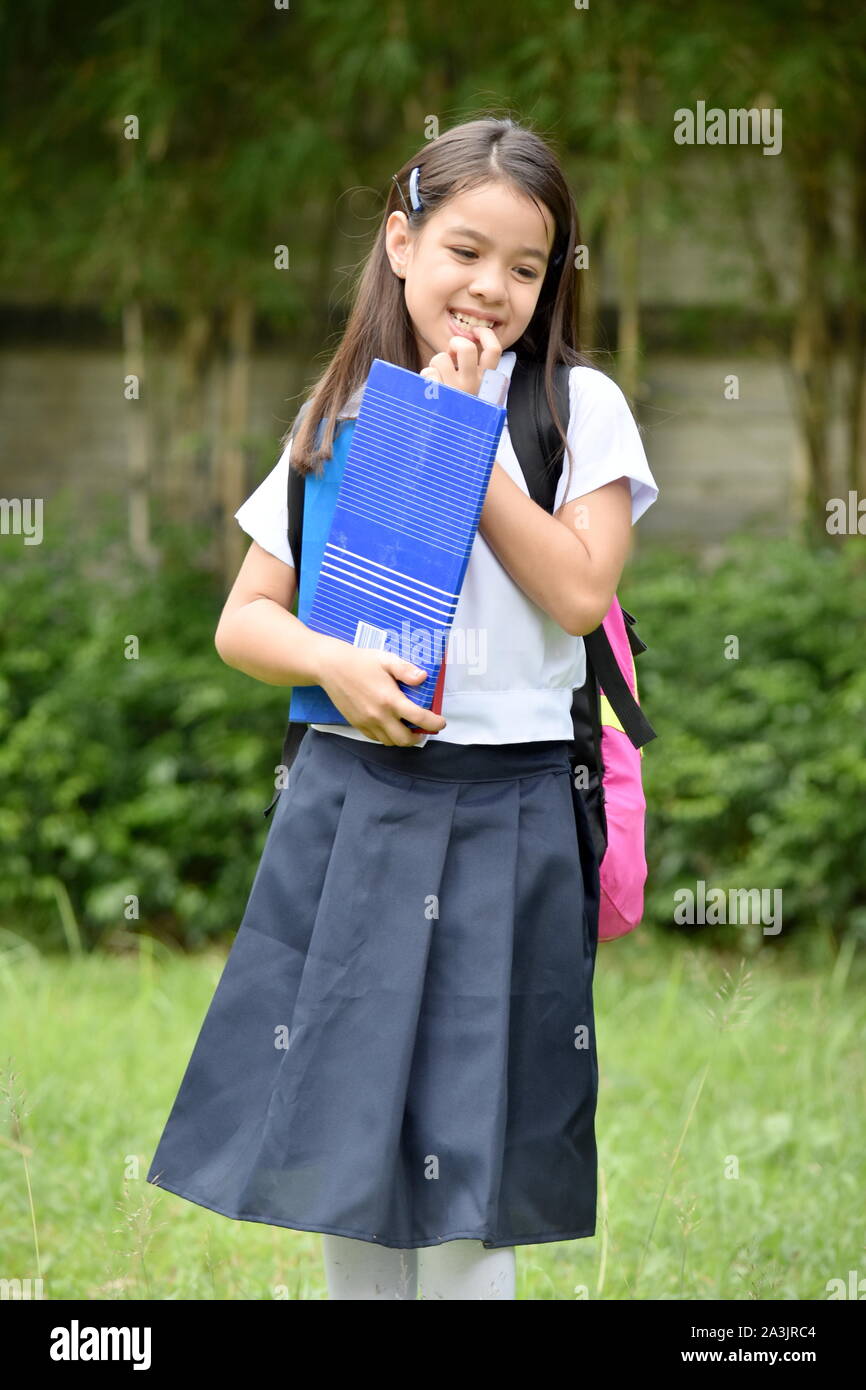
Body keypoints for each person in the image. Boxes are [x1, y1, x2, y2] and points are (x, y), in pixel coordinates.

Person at [146, 116, 659, 1300]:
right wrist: (331, 663)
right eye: (464, 251)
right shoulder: (340, 418)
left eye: (526, 268)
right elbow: (244, 621)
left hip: (514, 809)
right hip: (359, 803)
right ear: (399, 243)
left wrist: (462, 451)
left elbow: (582, 592)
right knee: (349, 1129)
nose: (490, 287)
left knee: (478, 1154)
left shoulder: (580, 408)